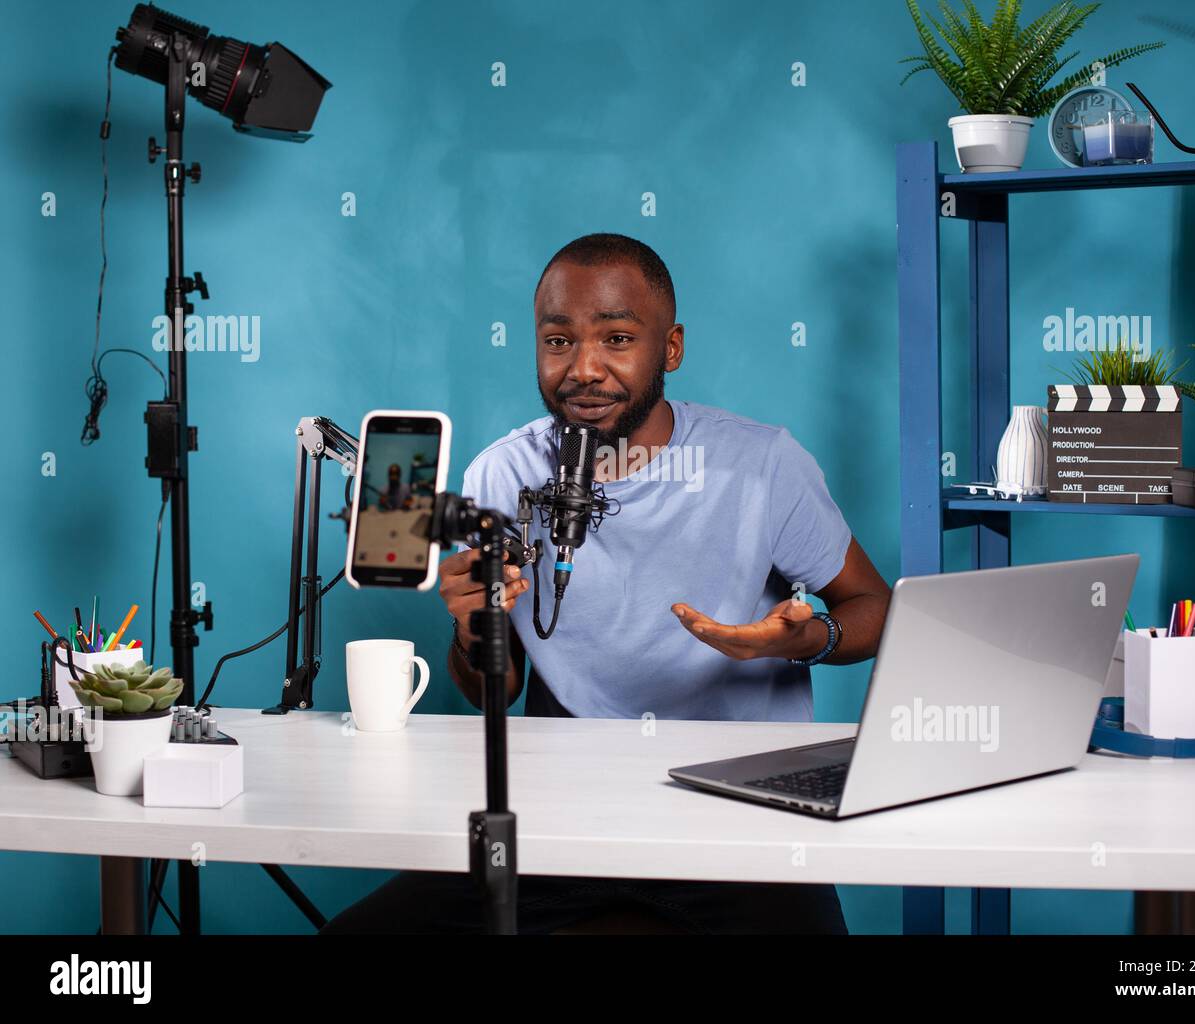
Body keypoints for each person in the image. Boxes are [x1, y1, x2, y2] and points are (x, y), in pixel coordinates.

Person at [322, 233, 891, 935]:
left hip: (737, 819)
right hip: (562, 818)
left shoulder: (762, 464)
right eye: (558, 342)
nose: (583, 369)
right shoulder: (502, 476)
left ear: (671, 349)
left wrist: (807, 639)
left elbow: (877, 608)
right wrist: (474, 631)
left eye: (617, 338)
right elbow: (491, 692)